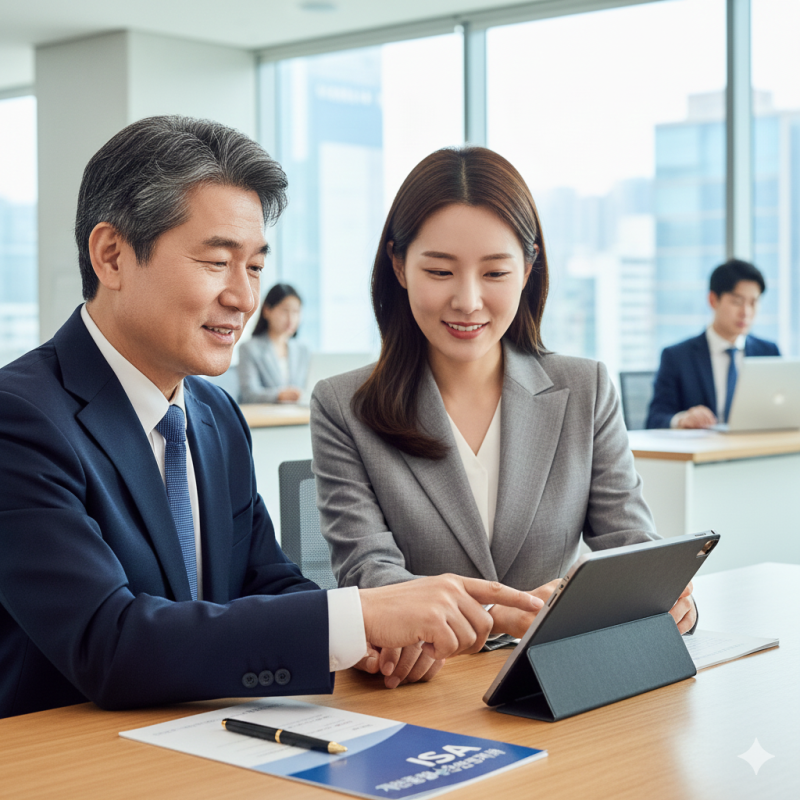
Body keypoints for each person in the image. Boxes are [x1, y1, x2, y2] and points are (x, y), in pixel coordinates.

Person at [0, 118, 541, 719]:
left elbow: (271, 584)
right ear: (112, 256)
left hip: (203, 742)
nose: (245, 298)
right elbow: (111, 643)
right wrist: (355, 616)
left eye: (255, 266)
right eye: (216, 262)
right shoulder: (20, 419)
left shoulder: (212, 416)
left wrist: (362, 642)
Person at [310, 147, 696, 690]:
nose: (468, 301)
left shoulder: (584, 389)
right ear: (398, 265)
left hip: (563, 686)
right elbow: (374, 579)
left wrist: (669, 599)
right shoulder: (343, 406)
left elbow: (629, 543)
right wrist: (495, 618)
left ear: (528, 268)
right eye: (440, 271)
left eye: (494, 272)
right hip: (426, 694)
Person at [646, 259, 780, 429]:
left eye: (753, 302)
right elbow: (655, 418)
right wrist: (682, 419)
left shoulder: (768, 352)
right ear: (713, 300)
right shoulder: (677, 356)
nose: (746, 312)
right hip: (704, 451)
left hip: (755, 450)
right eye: (737, 301)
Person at [238, 283, 310, 403]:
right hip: (265, 417)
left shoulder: (303, 350)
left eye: (296, 312)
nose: (291, 318)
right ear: (267, 310)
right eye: (285, 310)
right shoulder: (249, 348)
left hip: (298, 415)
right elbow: (249, 394)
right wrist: (280, 395)